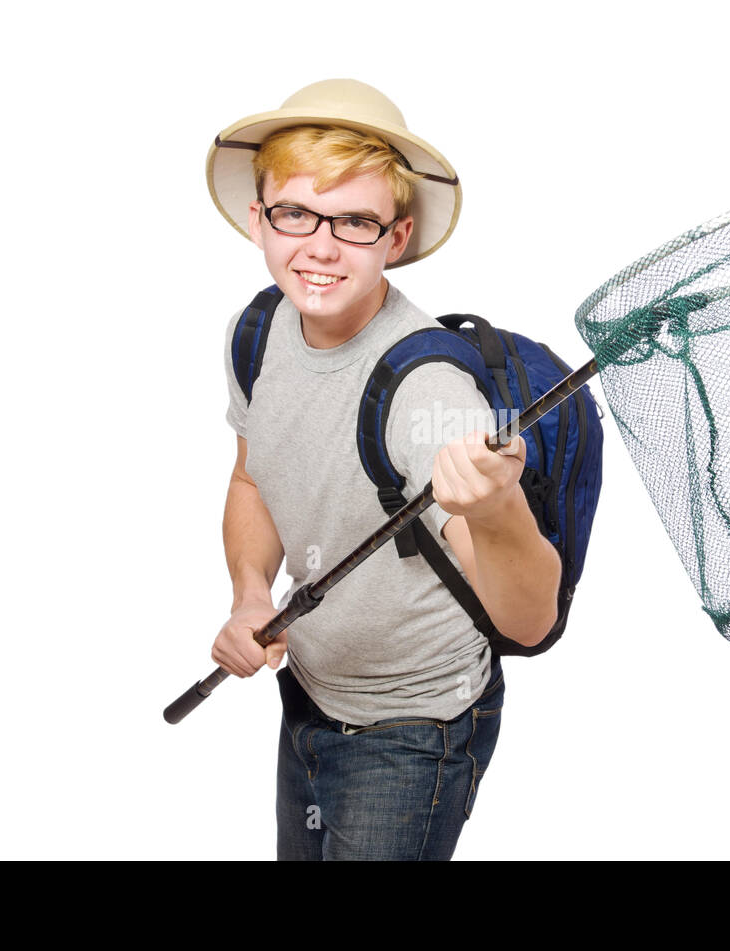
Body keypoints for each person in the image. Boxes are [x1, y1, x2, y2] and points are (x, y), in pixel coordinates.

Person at [204, 79, 562, 860]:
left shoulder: (429, 393)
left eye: (356, 221)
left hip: (412, 734)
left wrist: (497, 505)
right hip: (310, 696)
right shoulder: (257, 333)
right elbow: (252, 479)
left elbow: (529, 620)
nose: (321, 246)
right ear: (259, 219)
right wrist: (250, 596)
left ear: (395, 237)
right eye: (296, 213)